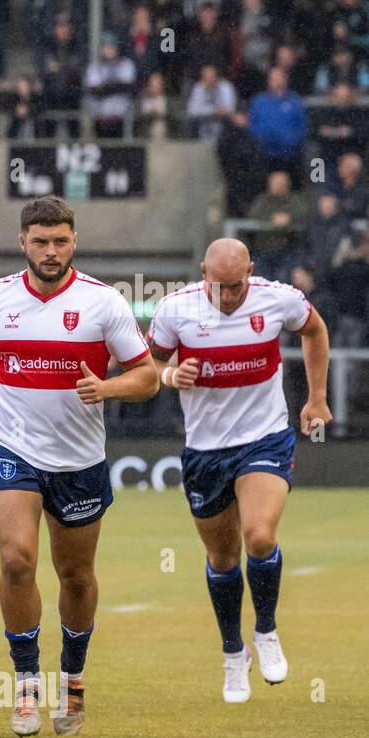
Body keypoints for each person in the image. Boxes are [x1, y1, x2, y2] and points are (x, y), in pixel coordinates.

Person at [0, 195, 158, 738]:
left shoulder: (103, 303)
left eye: (60, 240)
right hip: (9, 449)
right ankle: (24, 688)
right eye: (40, 241)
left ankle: (74, 677)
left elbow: (148, 376)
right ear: (22, 243)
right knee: (17, 559)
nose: (50, 250)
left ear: (73, 242)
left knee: (76, 574)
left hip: (79, 460)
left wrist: (107, 386)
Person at [148, 238, 331, 703]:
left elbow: (314, 330)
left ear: (250, 270)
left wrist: (316, 398)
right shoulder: (175, 310)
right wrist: (171, 376)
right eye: (218, 286)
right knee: (223, 559)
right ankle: (234, 653)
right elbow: (148, 365)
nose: (227, 296)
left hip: (264, 438)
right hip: (205, 450)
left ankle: (266, 631)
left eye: (236, 285)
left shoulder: (278, 298)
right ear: (203, 273)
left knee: (260, 537)